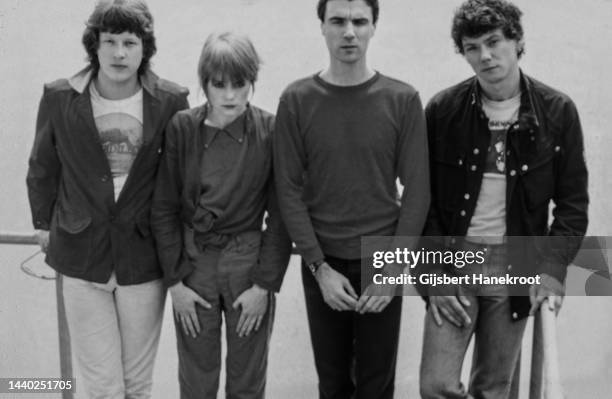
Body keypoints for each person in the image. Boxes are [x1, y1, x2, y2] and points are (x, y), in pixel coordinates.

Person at [417, 1, 589, 398]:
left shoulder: (558, 112)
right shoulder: (443, 110)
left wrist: (552, 268)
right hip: (455, 263)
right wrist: (433, 275)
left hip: (516, 265)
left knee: (493, 389)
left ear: (518, 41)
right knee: (436, 385)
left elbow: (572, 206)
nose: (485, 55)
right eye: (472, 46)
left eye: (494, 42)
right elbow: (422, 201)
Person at [26, 1, 189, 398]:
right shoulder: (60, 97)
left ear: (144, 48)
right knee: (101, 386)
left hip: (142, 258)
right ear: (93, 45)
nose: (119, 53)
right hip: (82, 255)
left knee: (136, 384)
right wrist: (43, 225)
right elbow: (42, 168)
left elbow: (181, 181)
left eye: (130, 42)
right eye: (110, 41)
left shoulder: (170, 100)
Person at [273, 1, 430, 398]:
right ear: (322, 27)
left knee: (377, 386)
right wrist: (318, 267)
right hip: (323, 260)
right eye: (338, 21)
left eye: (359, 21)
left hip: (382, 256)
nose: (349, 32)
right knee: (334, 384)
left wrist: (394, 267)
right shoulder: (296, 100)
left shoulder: (402, 99)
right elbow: (287, 190)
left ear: (374, 27)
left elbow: (418, 191)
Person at [151, 31, 292, 399]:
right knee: (197, 380)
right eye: (218, 84)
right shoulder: (183, 128)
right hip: (194, 265)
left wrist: (265, 285)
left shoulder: (270, 130)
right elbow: (163, 208)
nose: (229, 95)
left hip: (248, 265)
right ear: (205, 84)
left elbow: (282, 214)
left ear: (252, 82)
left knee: (247, 378)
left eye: (239, 83)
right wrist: (176, 283)